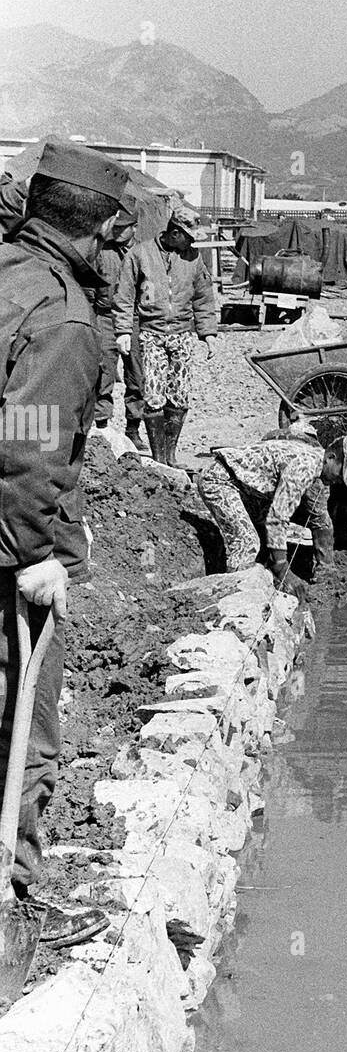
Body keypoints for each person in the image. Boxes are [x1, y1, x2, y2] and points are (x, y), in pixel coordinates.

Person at [0, 138, 132, 946]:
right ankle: (13, 900)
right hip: (8, 554)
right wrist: (36, 555)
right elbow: (27, 447)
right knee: (22, 726)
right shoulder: (63, 317)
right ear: (100, 232)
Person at [197, 418, 347, 595]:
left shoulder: (316, 463)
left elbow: (296, 517)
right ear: (330, 457)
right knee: (247, 542)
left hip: (247, 488)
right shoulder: (304, 467)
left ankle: (259, 572)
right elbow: (277, 519)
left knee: (264, 534)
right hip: (219, 481)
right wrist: (283, 570)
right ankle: (233, 599)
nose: (339, 481)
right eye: (340, 474)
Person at [112, 204, 217, 466]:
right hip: (151, 334)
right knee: (154, 396)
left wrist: (208, 333)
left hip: (181, 334)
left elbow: (203, 297)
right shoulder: (140, 254)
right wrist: (123, 330)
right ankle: (159, 459)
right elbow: (124, 296)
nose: (191, 243)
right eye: (189, 237)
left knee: (179, 397)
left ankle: (171, 456)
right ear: (175, 232)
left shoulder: (193, 259)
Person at [89, 206, 141, 439]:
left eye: (123, 228)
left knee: (137, 375)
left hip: (136, 319)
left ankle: (133, 428)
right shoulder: (102, 251)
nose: (117, 232)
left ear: (135, 228)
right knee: (103, 372)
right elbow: (89, 288)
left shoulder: (144, 253)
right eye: (115, 227)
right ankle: (102, 427)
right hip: (105, 317)